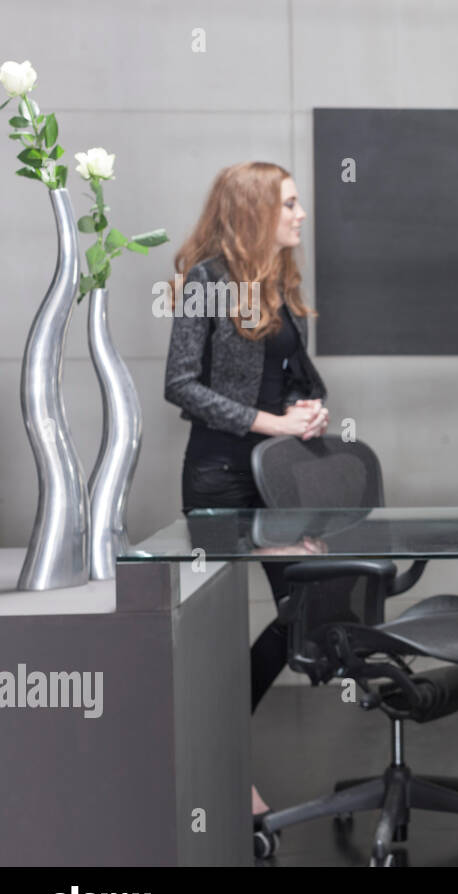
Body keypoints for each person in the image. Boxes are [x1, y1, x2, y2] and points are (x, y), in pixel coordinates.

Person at [162, 161, 330, 827]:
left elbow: (288, 376)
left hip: (277, 476)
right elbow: (180, 384)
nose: (300, 213)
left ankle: (226, 745)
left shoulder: (281, 284)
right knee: (214, 633)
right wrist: (274, 421)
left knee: (307, 606)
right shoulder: (205, 281)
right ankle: (225, 770)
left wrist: (308, 408)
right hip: (220, 478)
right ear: (255, 210)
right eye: (289, 203)